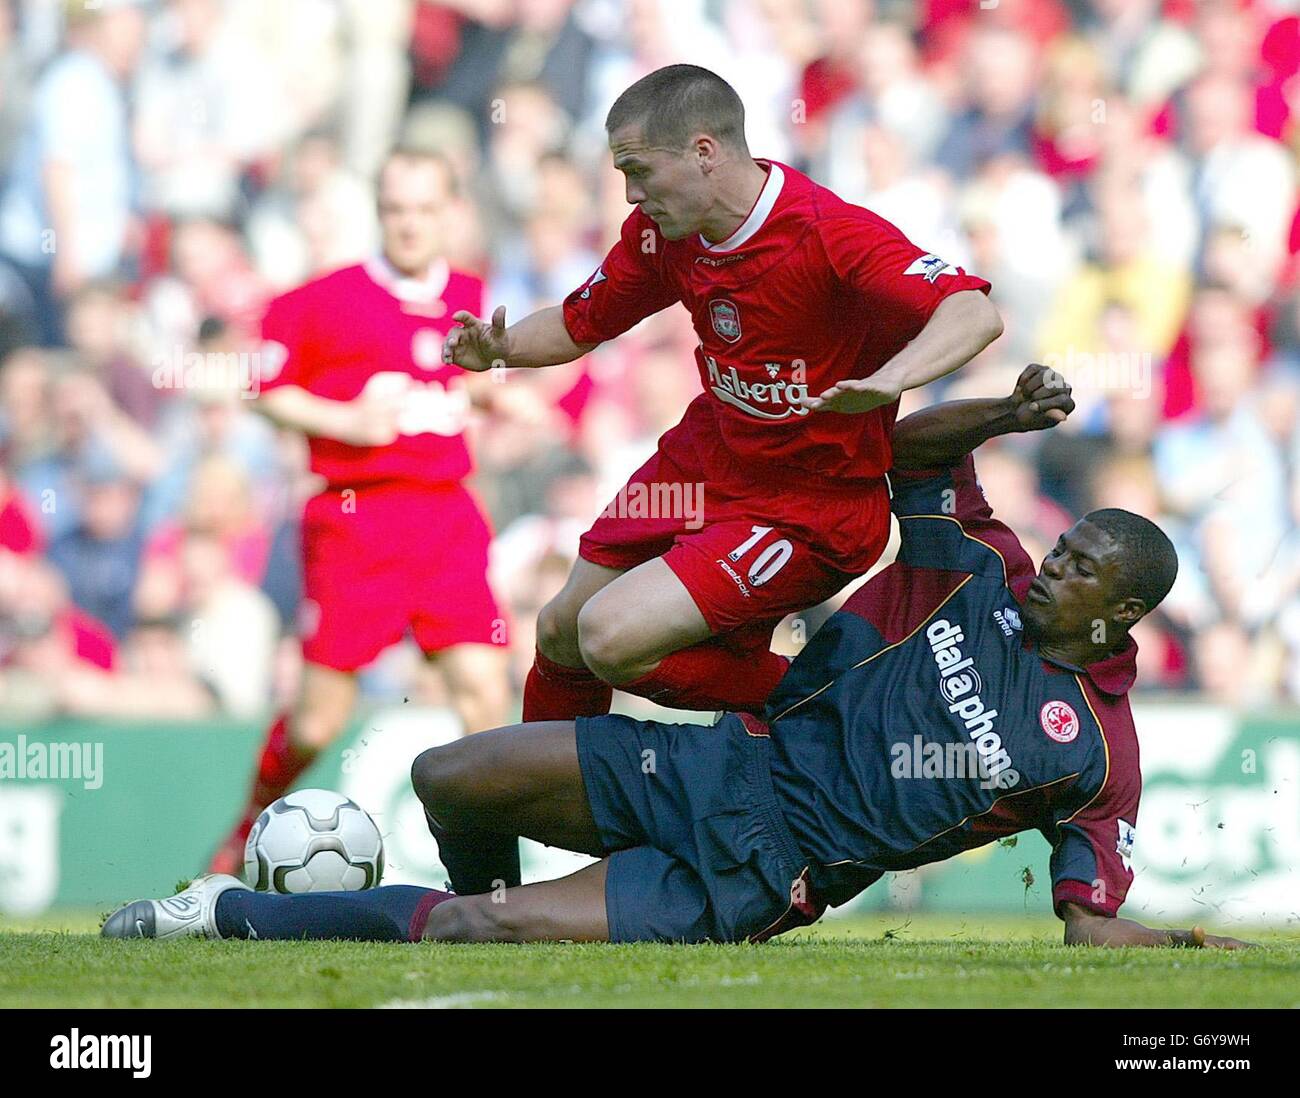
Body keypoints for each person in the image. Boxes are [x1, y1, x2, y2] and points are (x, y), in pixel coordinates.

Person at [103, 365, 1250, 949]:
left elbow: (1088, 914)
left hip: (767, 866)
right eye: (1071, 542)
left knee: (472, 932)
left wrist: (1181, 950)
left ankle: (213, 919)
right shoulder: (979, 567)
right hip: (717, 762)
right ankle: (493, 909)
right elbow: (906, 451)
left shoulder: (1094, 753)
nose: (1060, 560)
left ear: (1121, 617)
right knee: (444, 776)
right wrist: (1001, 409)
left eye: (1089, 566)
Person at [442, 64, 1002, 722]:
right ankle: (538, 807)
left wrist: (890, 377)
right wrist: (501, 349)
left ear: (704, 153)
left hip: (809, 503)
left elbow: (975, 313)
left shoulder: (828, 233)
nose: (629, 195)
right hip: (708, 459)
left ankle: (844, 708)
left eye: (640, 171)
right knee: (563, 627)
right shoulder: (666, 234)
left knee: (609, 638)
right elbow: (577, 321)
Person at [206, 148, 510, 876]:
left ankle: (492, 876)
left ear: (452, 212)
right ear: (379, 212)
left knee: (484, 692)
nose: (409, 225)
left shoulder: (475, 294)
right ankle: (243, 829)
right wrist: (348, 422)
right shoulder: (322, 299)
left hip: (445, 517)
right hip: (355, 523)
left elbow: (493, 383)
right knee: (317, 721)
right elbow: (262, 387)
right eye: (396, 209)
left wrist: (501, 393)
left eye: (424, 209)